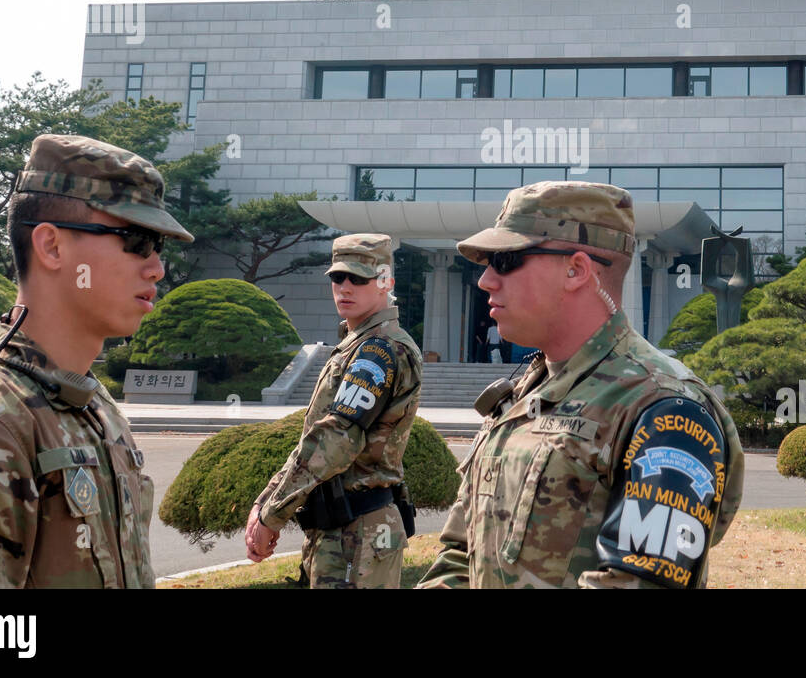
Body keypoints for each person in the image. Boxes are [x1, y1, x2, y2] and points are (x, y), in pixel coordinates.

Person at [0, 134, 191, 588]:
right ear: (51, 246)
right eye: (137, 241)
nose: (156, 268)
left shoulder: (92, 405)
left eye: (160, 247)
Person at [416, 180, 744, 589]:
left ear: (576, 270)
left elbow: (638, 583)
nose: (484, 281)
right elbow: (461, 557)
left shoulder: (664, 409)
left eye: (504, 262)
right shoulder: (524, 395)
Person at [245, 234, 422, 588]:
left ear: (386, 281)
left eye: (358, 278)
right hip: (342, 531)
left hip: (359, 533)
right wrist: (265, 503)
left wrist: (271, 513)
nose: (344, 287)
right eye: (337, 278)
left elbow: (335, 438)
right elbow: (317, 436)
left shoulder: (379, 350)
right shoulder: (357, 345)